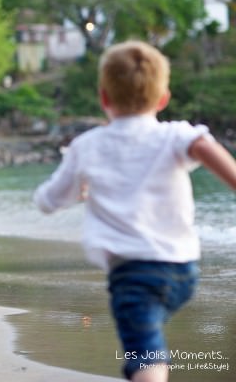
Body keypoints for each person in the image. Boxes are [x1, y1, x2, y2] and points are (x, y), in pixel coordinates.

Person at [33, 41, 236, 382]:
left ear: (104, 98)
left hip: (133, 274)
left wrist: (75, 192)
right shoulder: (176, 135)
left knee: (145, 357)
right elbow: (205, 147)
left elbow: (47, 200)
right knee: (149, 342)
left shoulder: (87, 146)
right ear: (163, 99)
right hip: (184, 270)